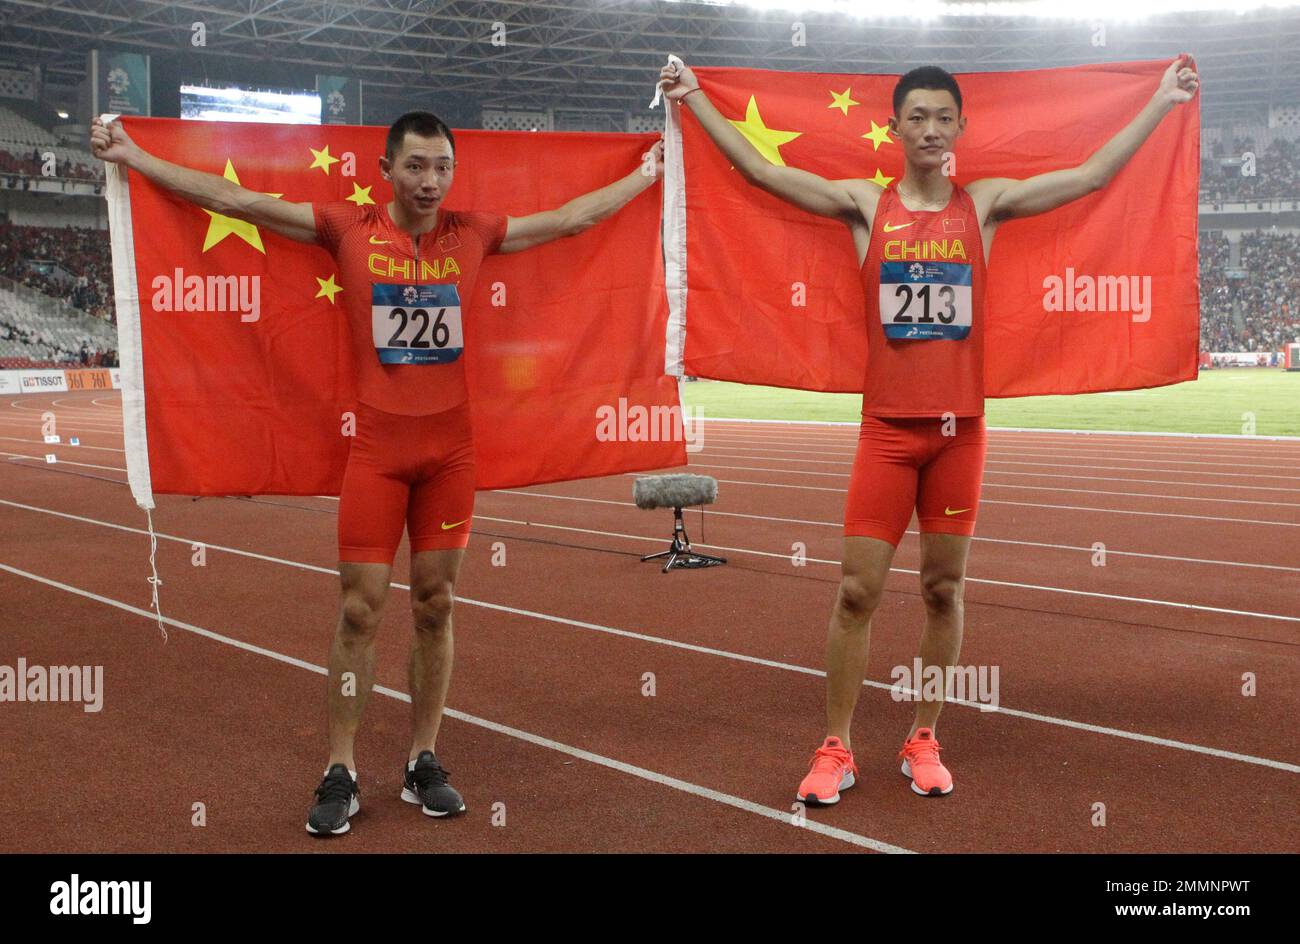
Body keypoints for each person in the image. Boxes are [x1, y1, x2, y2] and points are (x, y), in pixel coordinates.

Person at [91, 110, 665, 835]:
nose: (430, 181)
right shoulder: (347, 228)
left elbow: (571, 220)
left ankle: (424, 760)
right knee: (360, 609)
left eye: (442, 168)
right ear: (387, 170)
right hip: (378, 454)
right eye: (417, 166)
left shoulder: (475, 232)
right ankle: (341, 769)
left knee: (436, 605)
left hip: (451, 455)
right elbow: (239, 202)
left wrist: (648, 176)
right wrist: (136, 157)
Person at [658, 56, 1198, 803]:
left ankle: (923, 735)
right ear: (896, 127)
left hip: (959, 434)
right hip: (886, 431)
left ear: (962, 129)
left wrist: (1163, 101)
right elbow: (758, 173)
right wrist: (693, 100)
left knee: (944, 591)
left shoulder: (984, 206)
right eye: (918, 116)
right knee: (856, 592)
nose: (932, 127)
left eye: (945, 116)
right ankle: (837, 747)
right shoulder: (862, 205)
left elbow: (1093, 175)